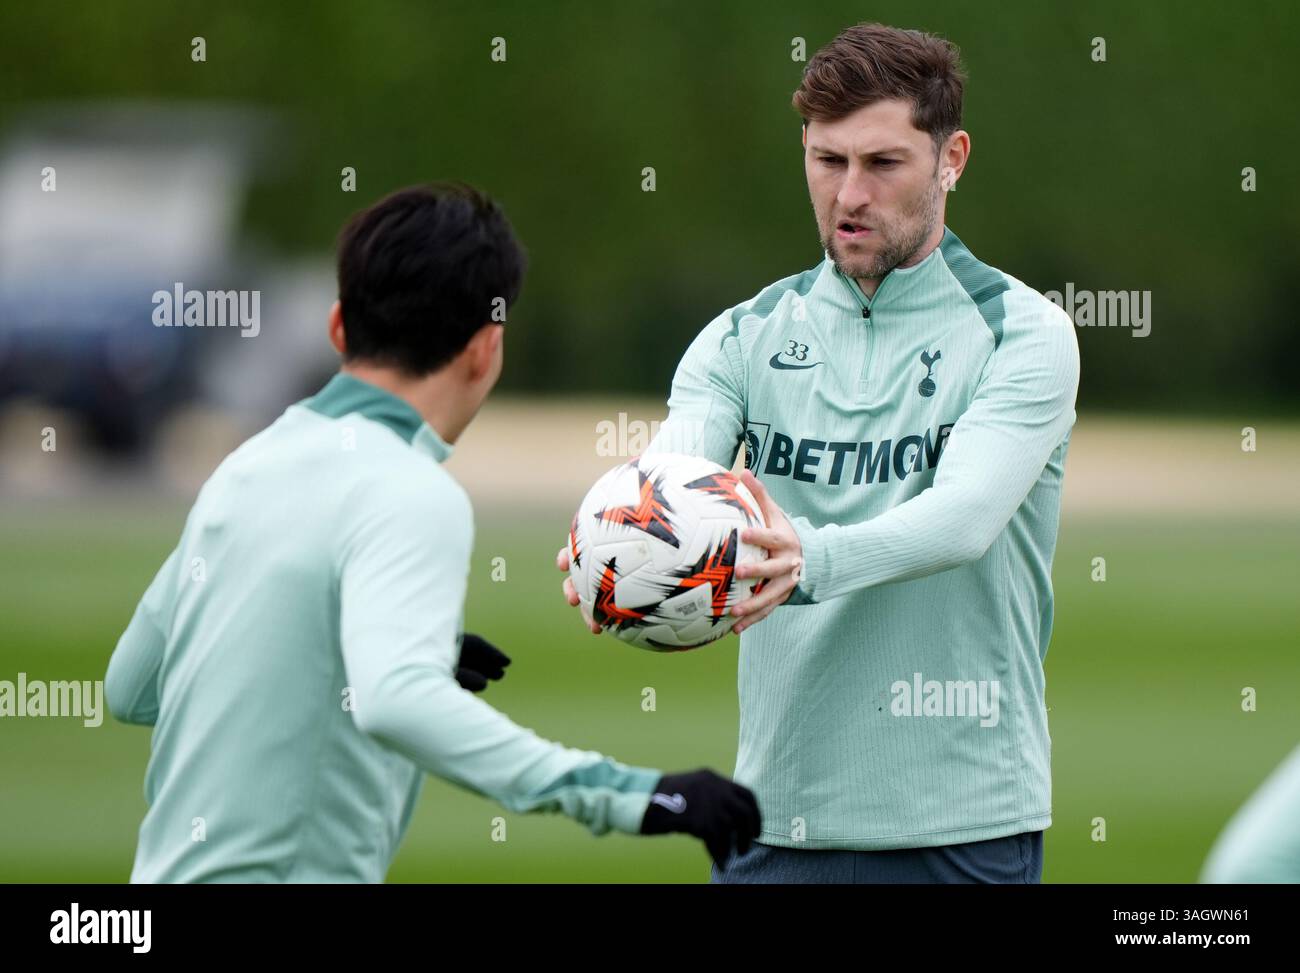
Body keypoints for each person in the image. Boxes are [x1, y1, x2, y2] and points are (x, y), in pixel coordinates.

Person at [106, 183, 760, 883]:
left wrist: (347, 651)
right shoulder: (413, 491)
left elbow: (132, 687)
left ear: (337, 327)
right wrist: (637, 795)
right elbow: (397, 703)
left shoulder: (247, 466)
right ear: (486, 350)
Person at [559, 22, 1080, 883]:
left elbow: (963, 520)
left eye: (883, 163)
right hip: (778, 826)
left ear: (952, 157)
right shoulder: (737, 339)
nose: (850, 194)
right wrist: (617, 544)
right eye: (826, 160)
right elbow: (673, 483)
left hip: (962, 828)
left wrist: (805, 562)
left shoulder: (1024, 333)